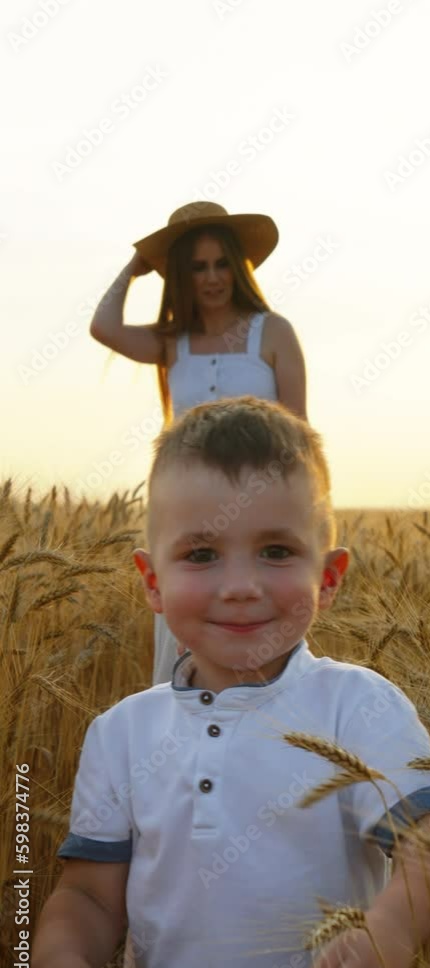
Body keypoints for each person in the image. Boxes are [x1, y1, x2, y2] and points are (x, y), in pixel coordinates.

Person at [30, 397, 430, 968]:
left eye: (276, 552)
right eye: (202, 555)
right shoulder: (121, 732)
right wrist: (59, 963)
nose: (240, 587)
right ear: (153, 582)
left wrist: (391, 926)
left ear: (330, 576)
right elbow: (87, 895)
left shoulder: (357, 706)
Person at [90, 201, 307, 684]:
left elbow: (300, 435)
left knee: (258, 638)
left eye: (221, 263)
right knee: (183, 640)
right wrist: (137, 265)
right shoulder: (173, 342)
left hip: (260, 513)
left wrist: (301, 521)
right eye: (196, 266)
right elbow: (103, 327)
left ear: (238, 267)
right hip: (186, 513)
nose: (211, 277)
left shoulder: (271, 332)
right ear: (181, 276)